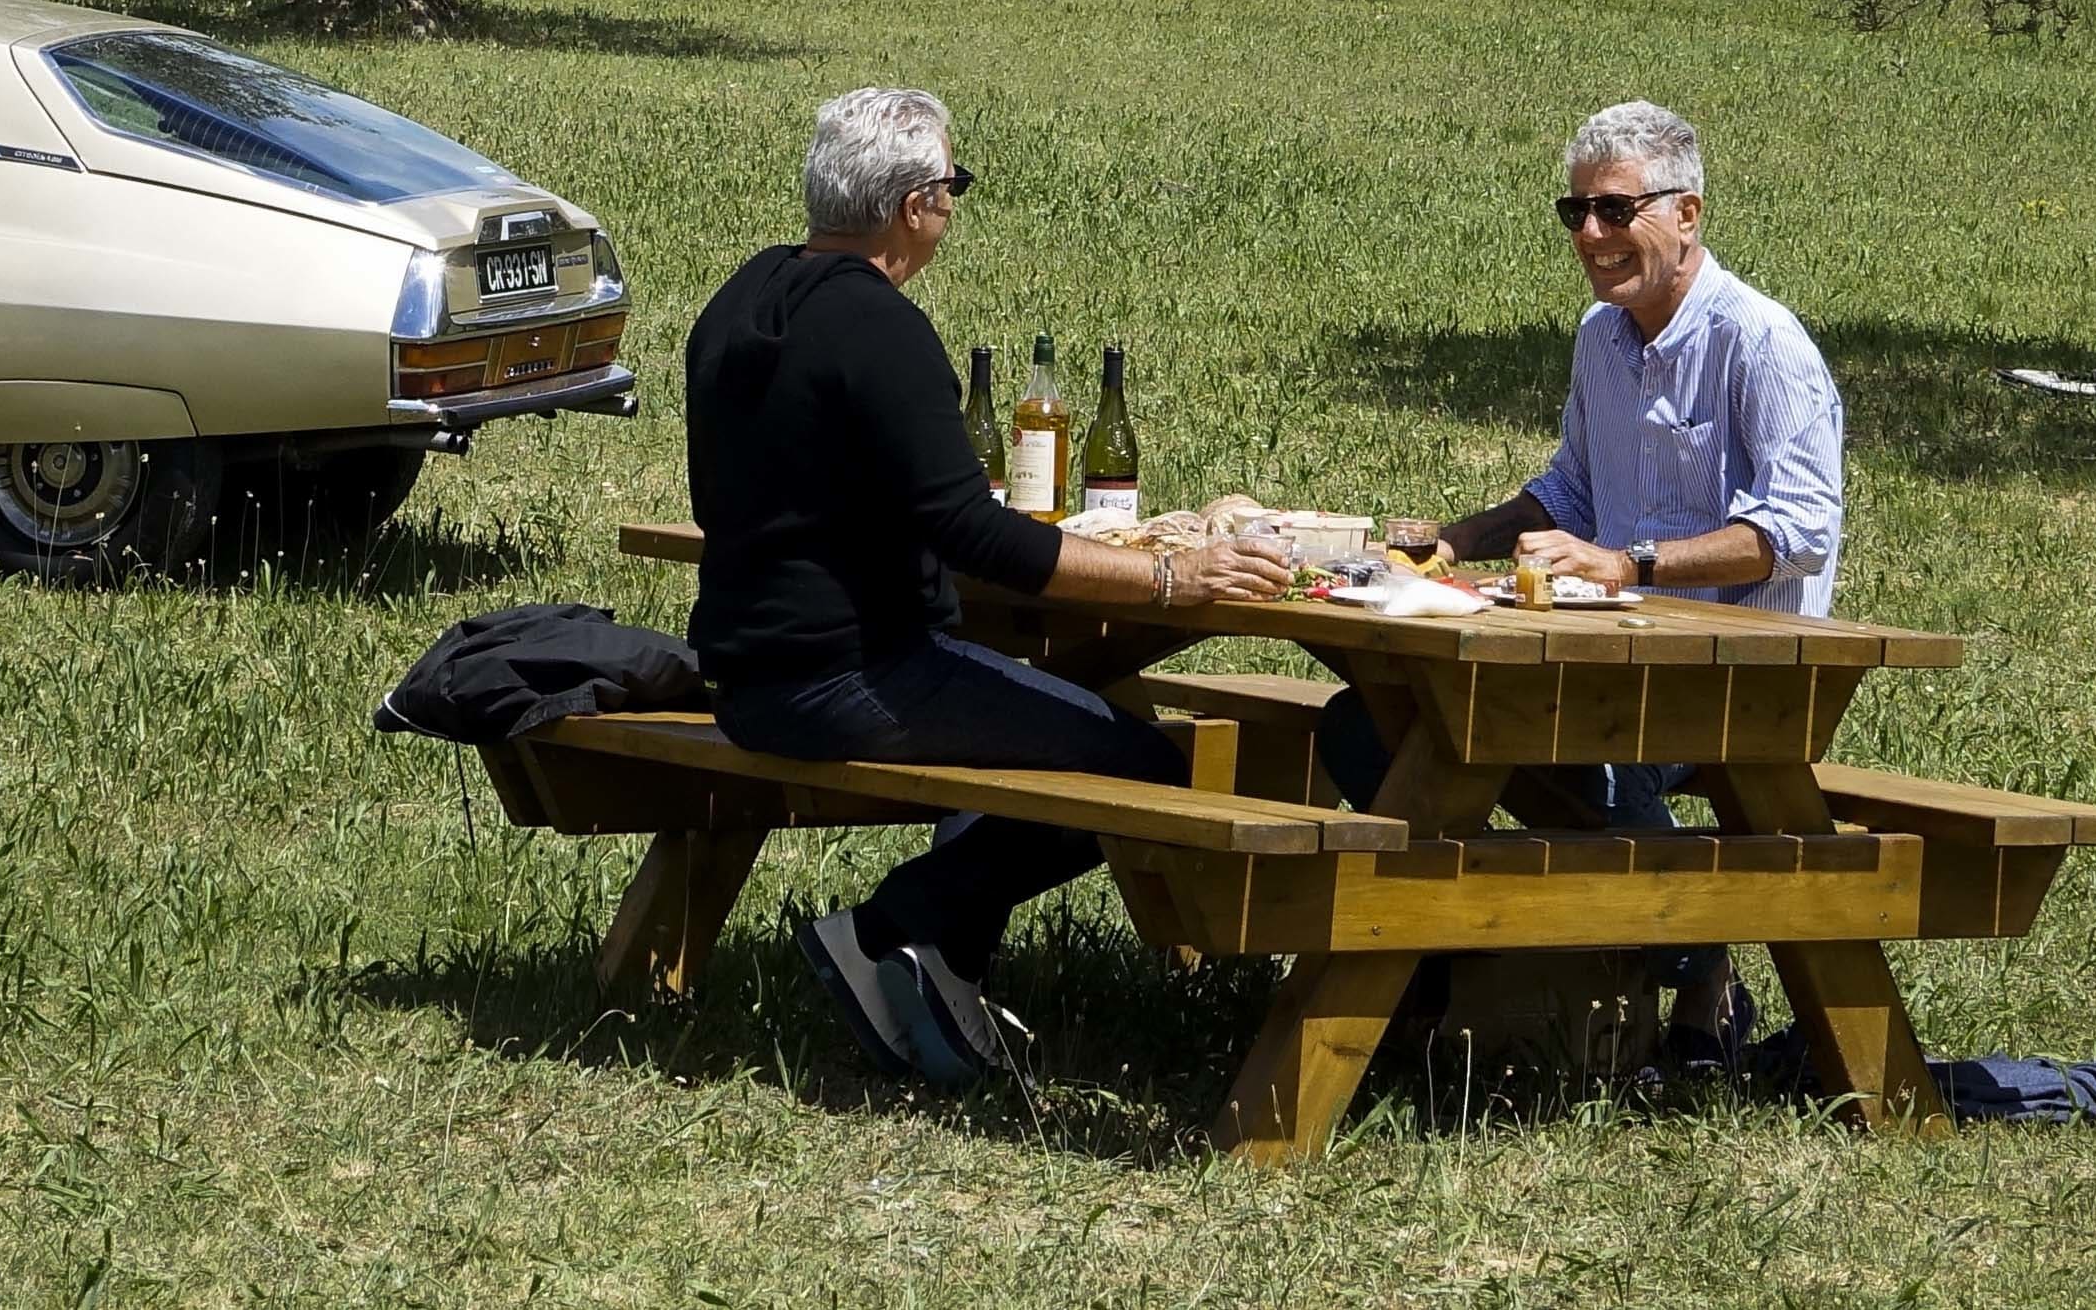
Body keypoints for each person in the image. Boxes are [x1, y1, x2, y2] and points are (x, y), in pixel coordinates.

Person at [683, 86, 1292, 1089]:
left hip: (743, 664)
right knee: (1136, 763)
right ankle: (894, 928)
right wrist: (1168, 574)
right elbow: (975, 536)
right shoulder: (877, 330)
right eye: (951, 187)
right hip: (844, 674)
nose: (953, 208)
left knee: (1021, 719)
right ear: (914, 204)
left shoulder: (744, 297)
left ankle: (940, 963)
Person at [1331, 97, 1846, 1063]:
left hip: (1737, 678)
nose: (1595, 236)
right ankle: (1459, 967)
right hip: (1604, 656)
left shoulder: (1762, 344)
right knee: (1369, 721)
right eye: (1577, 214)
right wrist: (1454, 539)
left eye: (1618, 211)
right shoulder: (1600, 338)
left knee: (1521, 745)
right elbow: (1570, 485)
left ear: (1688, 213)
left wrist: (1630, 564)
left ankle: (1692, 959)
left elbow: (1799, 529)